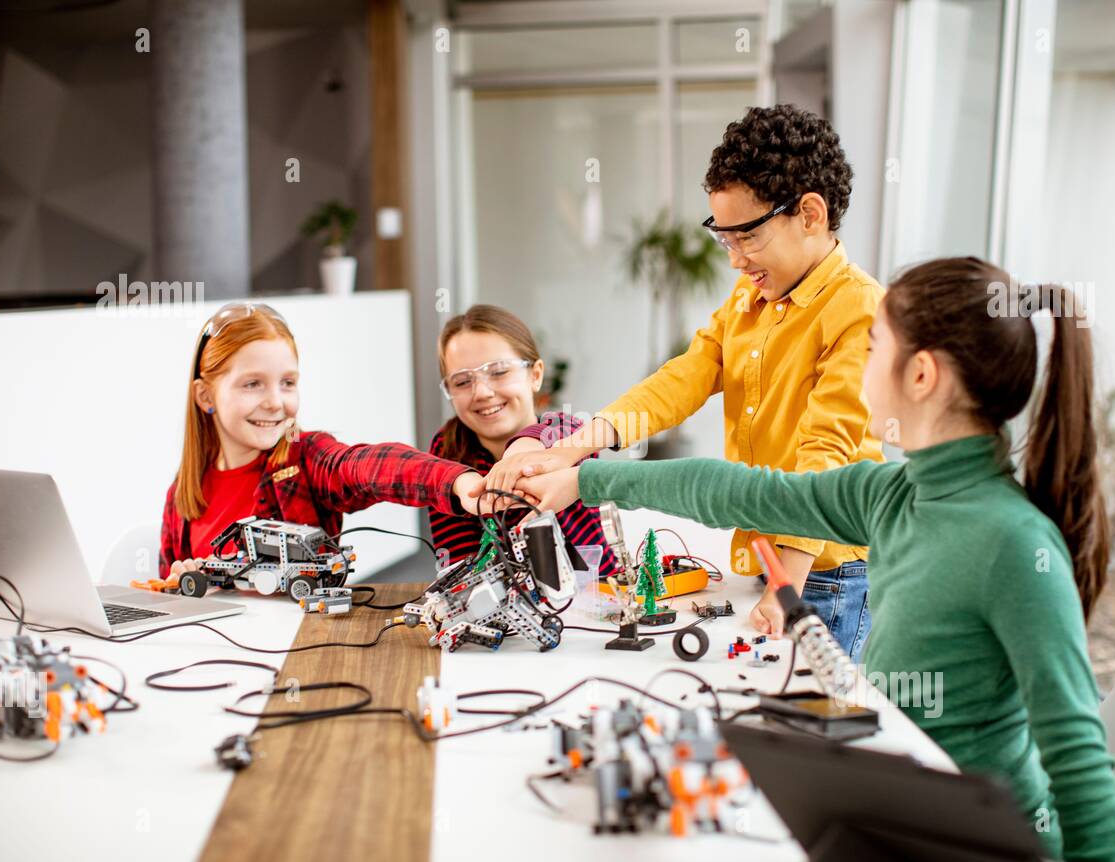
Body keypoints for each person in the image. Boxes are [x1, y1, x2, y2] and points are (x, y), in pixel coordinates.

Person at [508, 257, 1115, 862]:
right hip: (898, 809)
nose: (859, 371)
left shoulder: (1015, 545)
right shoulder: (895, 494)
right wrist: (585, 476)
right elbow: (743, 492)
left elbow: (1077, 760)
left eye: (872, 348)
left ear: (920, 376)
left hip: (972, 843)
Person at [485, 104, 884, 660]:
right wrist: (571, 450)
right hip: (771, 559)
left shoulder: (860, 308)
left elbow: (827, 456)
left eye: (747, 236)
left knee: (816, 716)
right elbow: (683, 379)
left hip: (826, 573)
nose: (735, 260)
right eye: (725, 239)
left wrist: (785, 584)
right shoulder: (751, 300)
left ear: (810, 214)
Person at [159, 302, 483, 582]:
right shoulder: (181, 496)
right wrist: (181, 585)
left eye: (287, 382)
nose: (275, 402)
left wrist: (456, 480)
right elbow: (168, 594)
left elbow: (368, 467)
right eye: (253, 384)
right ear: (205, 396)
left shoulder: (303, 458)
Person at [427, 305, 616, 576]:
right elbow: (459, 565)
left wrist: (523, 449)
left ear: (535, 375)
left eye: (499, 371)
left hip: (596, 596)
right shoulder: (447, 449)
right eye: (462, 381)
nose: (481, 392)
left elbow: (565, 431)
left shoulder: (567, 432)